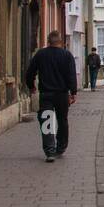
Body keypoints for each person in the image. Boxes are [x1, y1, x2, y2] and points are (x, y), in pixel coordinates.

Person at [26, 30, 78, 162]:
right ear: (60, 42)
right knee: (62, 121)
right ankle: (60, 147)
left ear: (48, 41)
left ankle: (49, 151)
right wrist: (73, 93)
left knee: (47, 122)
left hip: (46, 94)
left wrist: (31, 86)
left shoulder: (41, 54)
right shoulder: (67, 55)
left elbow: (30, 72)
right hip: (62, 94)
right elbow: (71, 75)